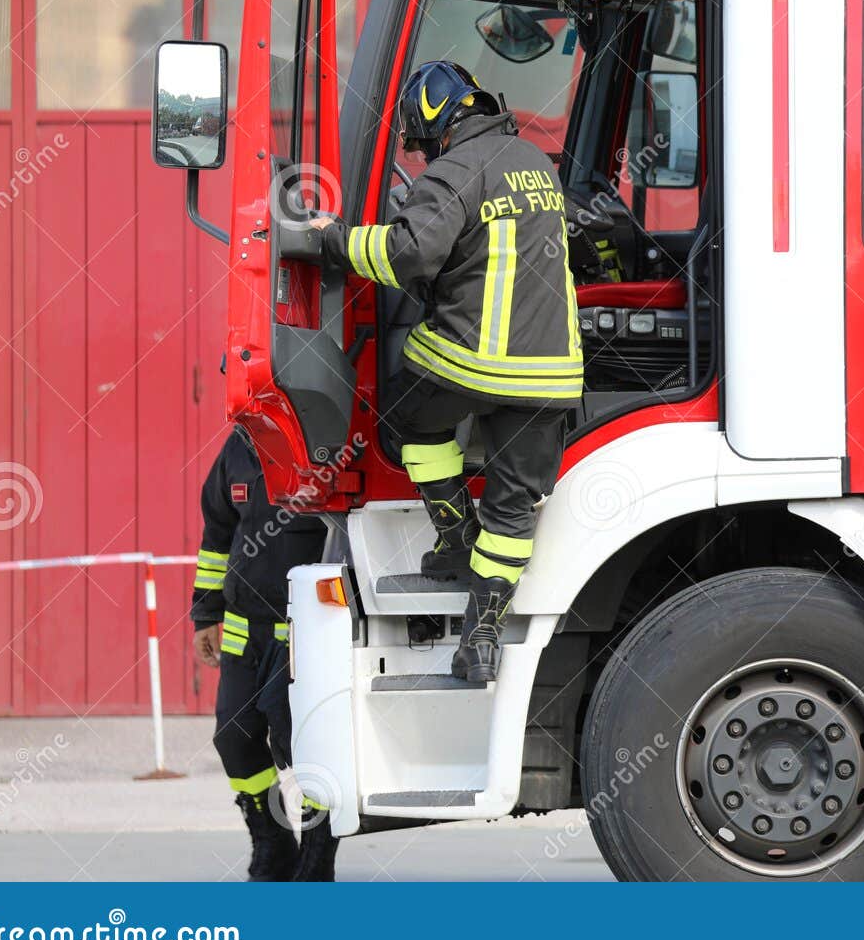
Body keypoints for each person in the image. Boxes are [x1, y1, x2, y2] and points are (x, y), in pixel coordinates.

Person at [309, 60, 582, 682]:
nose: (425, 154)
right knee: (513, 510)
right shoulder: (535, 163)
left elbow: (408, 254)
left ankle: (455, 536)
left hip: (472, 365)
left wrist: (333, 239)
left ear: (436, 123)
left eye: (424, 142)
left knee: (410, 418)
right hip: (553, 374)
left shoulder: (455, 171)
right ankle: (481, 638)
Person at [192, 426, 337, 880]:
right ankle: (273, 842)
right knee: (234, 740)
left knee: (305, 750)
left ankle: (317, 858)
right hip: (240, 631)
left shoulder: (327, 442)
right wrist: (204, 614)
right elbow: (217, 536)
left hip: (301, 632)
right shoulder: (238, 447)